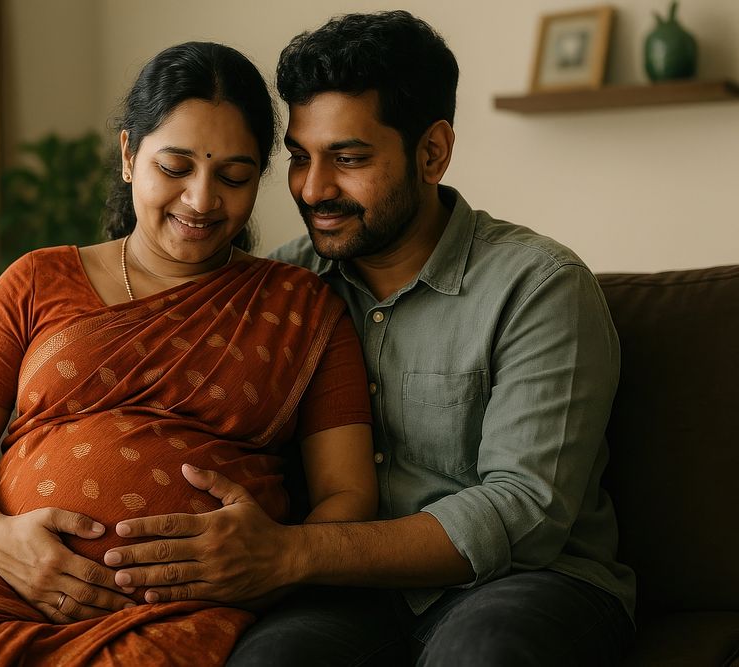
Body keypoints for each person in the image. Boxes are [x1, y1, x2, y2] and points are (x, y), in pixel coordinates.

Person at [98, 12, 637, 666]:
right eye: (300, 157)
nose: (315, 188)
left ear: (432, 152)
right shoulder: (284, 287)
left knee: (484, 653)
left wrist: (291, 553)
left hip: (526, 583)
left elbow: (524, 512)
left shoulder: (539, 287)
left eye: (348, 158)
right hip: (346, 593)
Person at [0, 41, 378, 666]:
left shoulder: (302, 307)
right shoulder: (36, 281)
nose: (201, 201)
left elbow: (349, 494)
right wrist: (2, 543)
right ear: (128, 156)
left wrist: (270, 559)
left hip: (183, 605)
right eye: (175, 168)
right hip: (3, 582)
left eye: (233, 176)